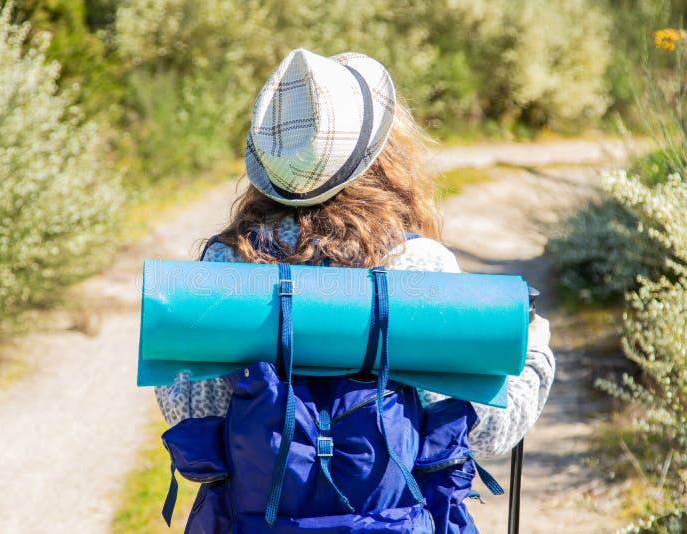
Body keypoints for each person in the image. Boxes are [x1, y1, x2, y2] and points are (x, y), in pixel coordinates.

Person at [154, 47, 555, 519]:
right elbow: (483, 431)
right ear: (377, 158)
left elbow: (193, 419)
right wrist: (533, 352)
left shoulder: (224, 267)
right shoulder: (417, 265)